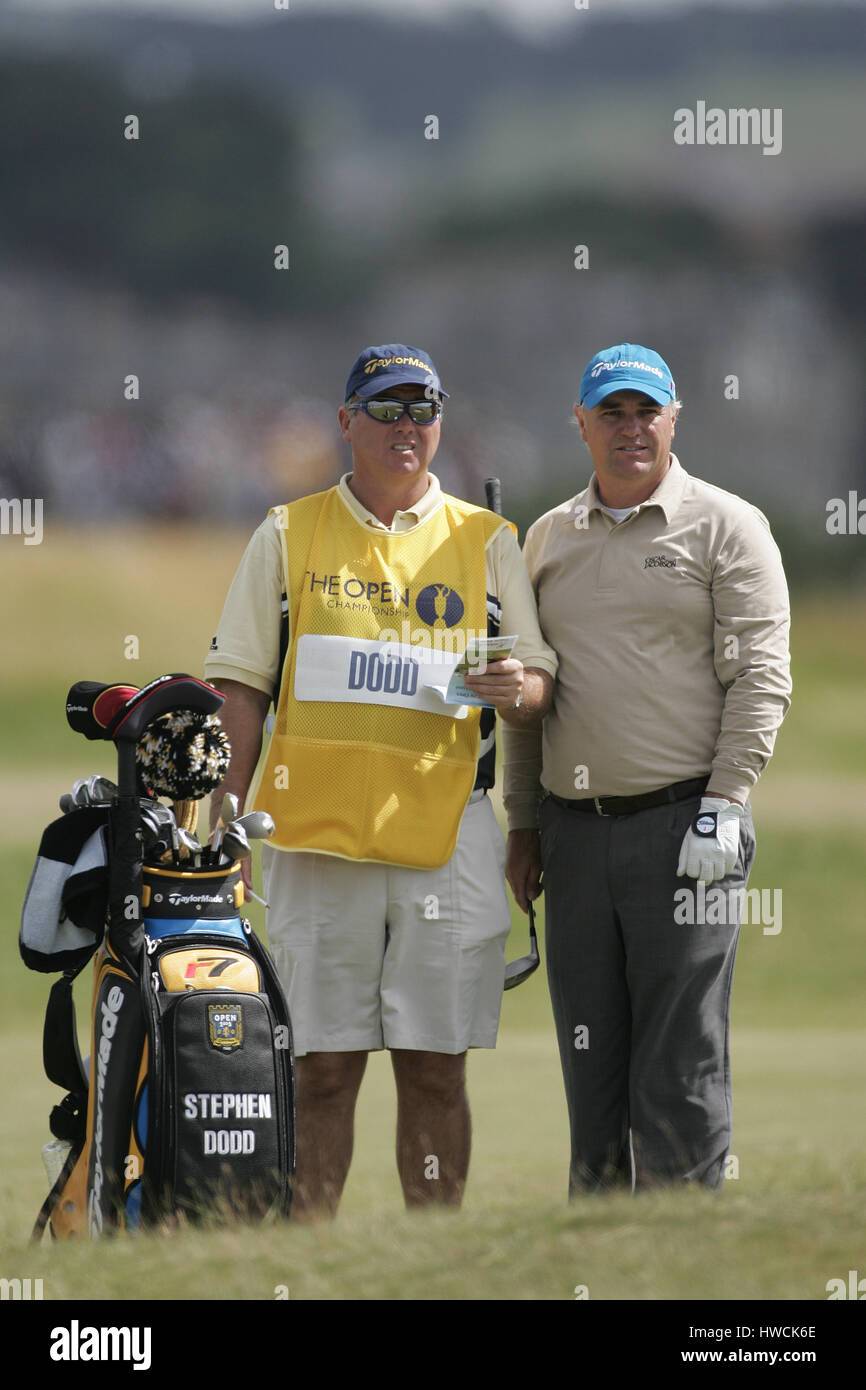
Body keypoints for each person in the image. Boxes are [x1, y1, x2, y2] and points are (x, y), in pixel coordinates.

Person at [204, 343, 557, 1218]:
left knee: (436, 1069)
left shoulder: (490, 540)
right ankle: (309, 1258)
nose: (407, 426)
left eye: (423, 407)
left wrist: (519, 690)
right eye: (387, 407)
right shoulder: (287, 533)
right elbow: (240, 684)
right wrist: (224, 820)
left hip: (449, 841)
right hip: (312, 841)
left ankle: (429, 1260)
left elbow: (540, 681)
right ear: (346, 422)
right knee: (320, 1069)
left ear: (440, 422)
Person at [504, 342, 791, 1194]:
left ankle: (680, 1255)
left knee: (678, 1058)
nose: (630, 429)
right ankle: (600, 1251)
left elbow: (760, 677)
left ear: (673, 420)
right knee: (590, 1061)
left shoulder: (725, 524)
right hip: (574, 833)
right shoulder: (548, 538)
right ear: (582, 424)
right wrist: (521, 822)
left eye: (645, 412)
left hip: (687, 825)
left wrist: (726, 801)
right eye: (612, 413)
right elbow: (531, 698)